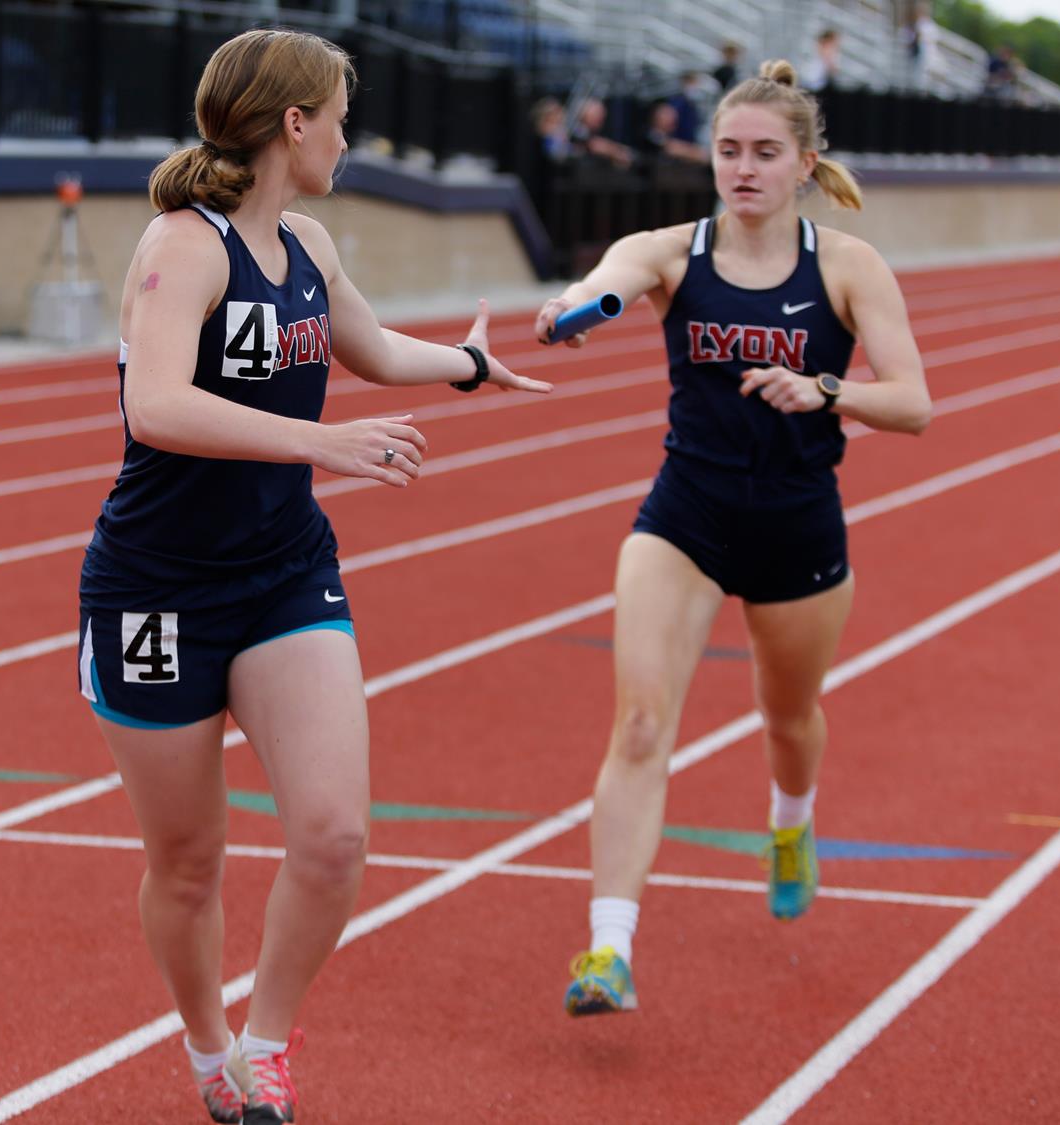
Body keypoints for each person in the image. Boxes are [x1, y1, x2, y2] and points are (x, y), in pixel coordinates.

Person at [80, 27, 548, 1122]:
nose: (351, 132)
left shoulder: (310, 243)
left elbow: (374, 350)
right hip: (155, 591)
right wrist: (320, 445)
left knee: (333, 837)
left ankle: (265, 1047)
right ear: (294, 123)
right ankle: (205, 1050)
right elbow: (153, 406)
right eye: (341, 113)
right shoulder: (181, 248)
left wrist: (469, 365)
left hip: (284, 573)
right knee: (189, 861)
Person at [533, 59, 932, 1017]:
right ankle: (607, 949)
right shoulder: (672, 251)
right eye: (728, 151)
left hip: (797, 519)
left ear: (804, 163)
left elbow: (914, 403)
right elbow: (610, 282)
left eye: (764, 152)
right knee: (638, 722)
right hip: (687, 517)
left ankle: (791, 823)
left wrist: (827, 389)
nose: (743, 168)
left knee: (787, 721)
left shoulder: (847, 266)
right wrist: (577, 309)